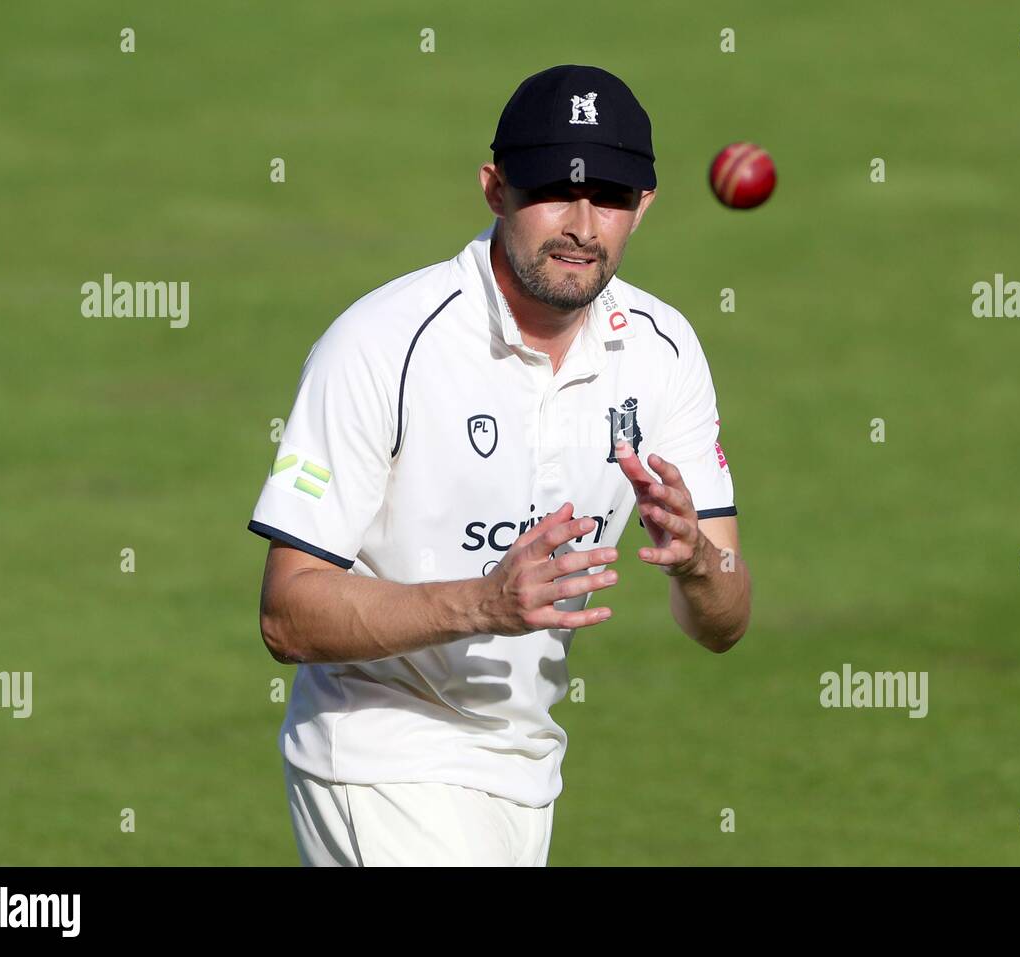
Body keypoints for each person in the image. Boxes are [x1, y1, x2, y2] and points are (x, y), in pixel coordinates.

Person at [248, 64, 752, 866]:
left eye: (612, 197)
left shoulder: (664, 352)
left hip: (525, 771)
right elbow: (287, 613)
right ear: (494, 188)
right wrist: (484, 602)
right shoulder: (383, 344)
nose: (583, 224)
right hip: (381, 752)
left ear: (644, 206)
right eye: (554, 187)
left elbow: (723, 620)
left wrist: (698, 563)